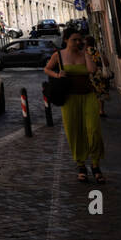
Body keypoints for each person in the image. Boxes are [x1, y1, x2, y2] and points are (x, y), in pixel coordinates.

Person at [45, 24, 105, 182]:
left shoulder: (83, 53)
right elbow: (47, 69)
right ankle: (81, 165)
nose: (78, 42)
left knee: (94, 130)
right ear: (66, 40)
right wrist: (57, 75)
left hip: (88, 96)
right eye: (74, 40)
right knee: (74, 130)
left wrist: (85, 52)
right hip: (69, 98)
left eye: (80, 40)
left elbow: (92, 70)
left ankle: (95, 164)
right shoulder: (58, 55)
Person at [86, 35, 111, 117]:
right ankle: (101, 110)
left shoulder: (85, 53)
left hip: (90, 75)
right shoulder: (98, 52)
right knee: (100, 93)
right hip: (100, 75)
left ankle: (94, 110)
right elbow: (107, 63)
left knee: (92, 93)